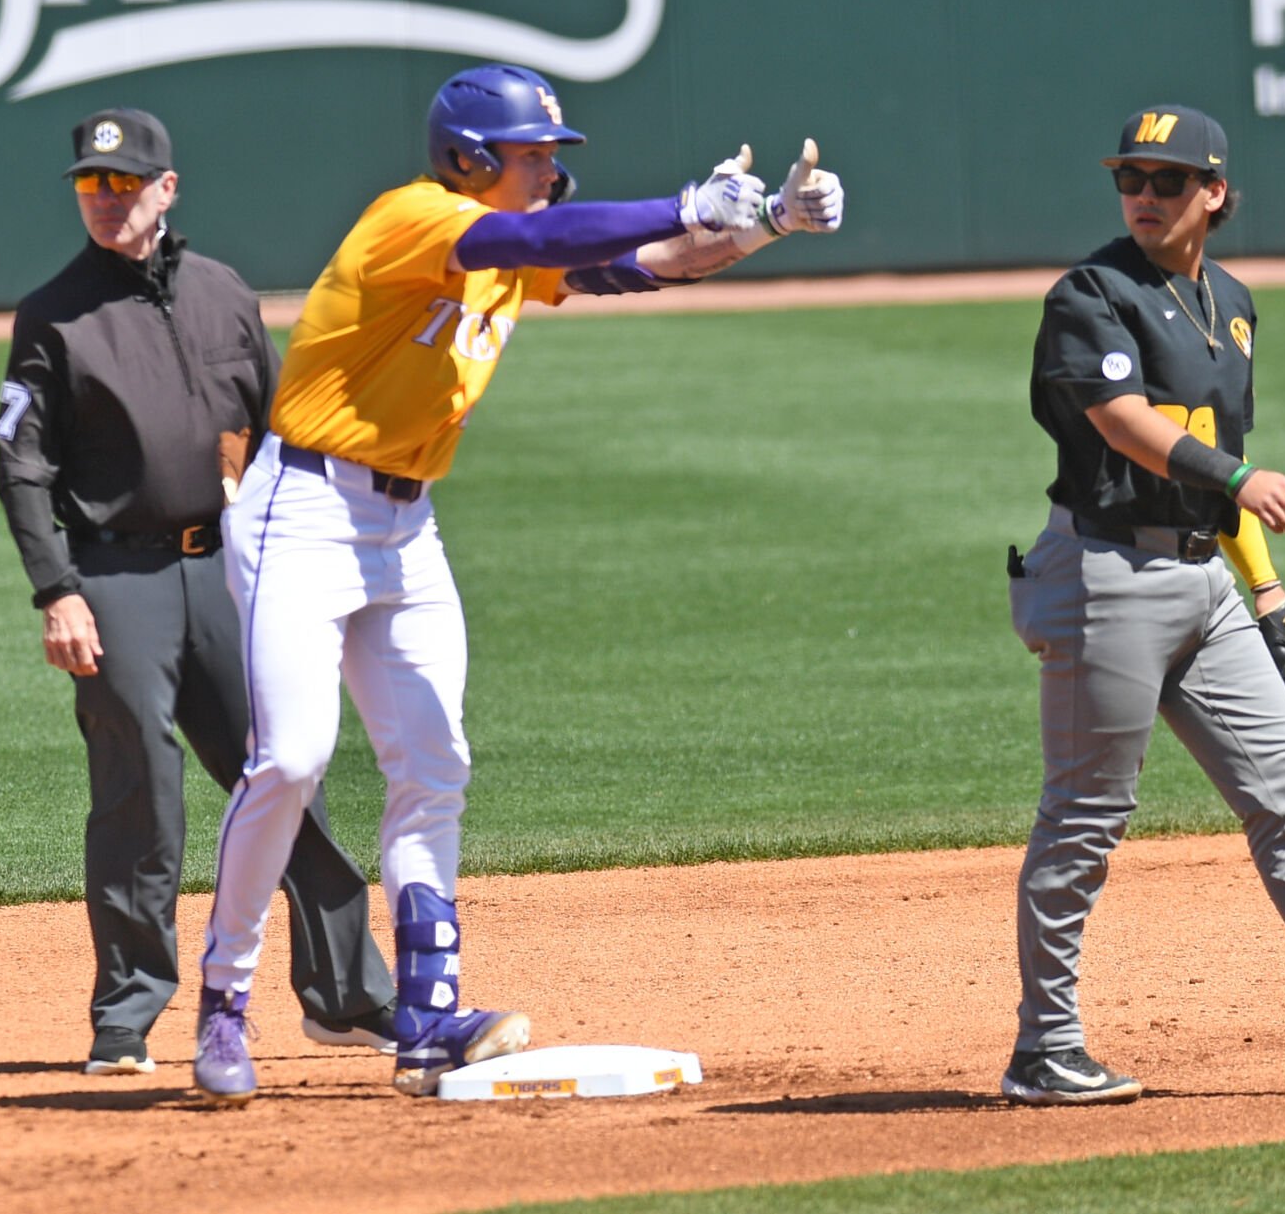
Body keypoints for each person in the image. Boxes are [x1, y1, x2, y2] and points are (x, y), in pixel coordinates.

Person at [190, 63, 846, 1104]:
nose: (549, 169)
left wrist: (765, 223)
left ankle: (427, 1019)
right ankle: (224, 998)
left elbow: (640, 265)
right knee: (293, 756)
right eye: (531, 154)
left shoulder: (511, 244)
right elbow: (542, 240)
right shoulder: (414, 219)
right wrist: (689, 198)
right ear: (466, 159)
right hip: (302, 512)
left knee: (433, 762)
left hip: (405, 524)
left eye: (550, 154)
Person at [0, 106, 396, 1078]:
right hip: (114, 572)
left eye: (124, 182)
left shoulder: (222, 293)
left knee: (285, 768)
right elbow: (21, 466)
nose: (105, 198)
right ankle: (126, 1016)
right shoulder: (53, 314)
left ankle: (346, 996)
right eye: (91, 183)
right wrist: (56, 591)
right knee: (137, 784)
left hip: (231, 567)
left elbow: (281, 431)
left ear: (165, 188)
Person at [1003, 103, 1285, 1105]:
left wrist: (1268, 590)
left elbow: (1213, 470)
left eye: (1166, 180)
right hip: (1104, 576)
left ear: (1212, 192)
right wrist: (1239, 475)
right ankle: (1043, 1049)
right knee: (1085, 817)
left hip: (1206, 585)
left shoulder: (1231, 303)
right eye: (1129, 177)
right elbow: (1120, 421)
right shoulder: (1091, 293)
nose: (1142, 194)